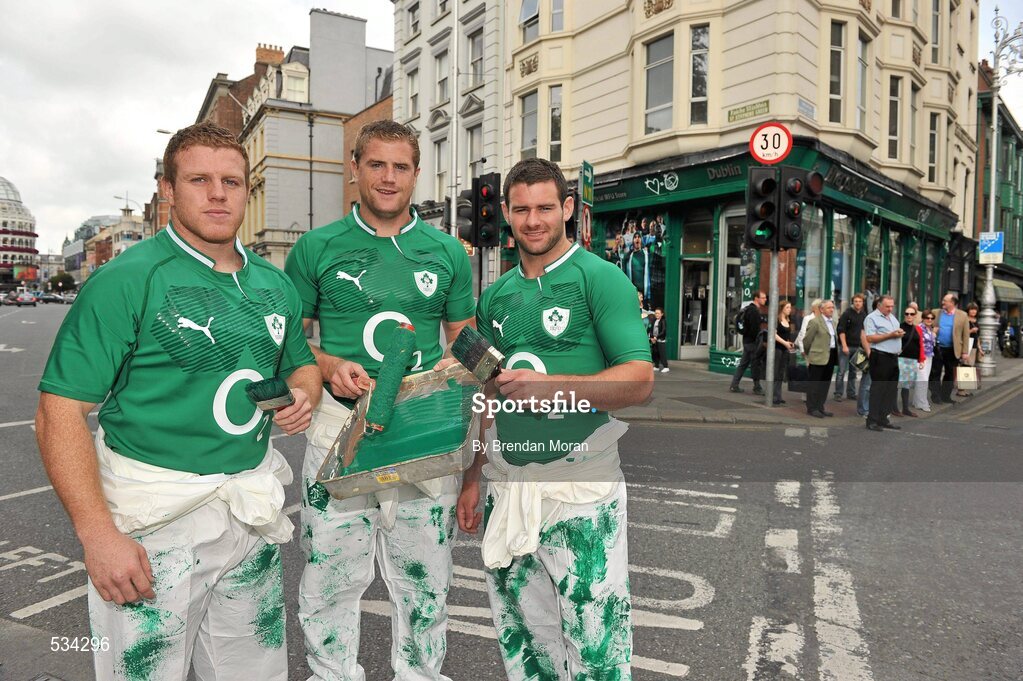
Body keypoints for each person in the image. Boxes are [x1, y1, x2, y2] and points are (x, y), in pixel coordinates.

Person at [35, 121, 321, 681]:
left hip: (249, 514)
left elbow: (301, 365)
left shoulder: (273, 282)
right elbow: (57, 414)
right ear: (168, 190)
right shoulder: (126, 280)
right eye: (199, 179)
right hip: (152, 524)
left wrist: (303, 396)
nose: (218, 193)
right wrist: (98, 537)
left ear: (246, 190)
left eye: (232, 182)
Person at [284, 120, 475, 681]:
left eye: (401, 167)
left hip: (421, 432)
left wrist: (461, 365)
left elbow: (463, 334)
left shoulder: (446, 251)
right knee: (329, 582)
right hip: (338, 431)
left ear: (417, 173)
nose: (389, 178)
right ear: (355, 169)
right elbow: (288, 338)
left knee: (425, 584)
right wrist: (326, 367)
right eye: (377, 165)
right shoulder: (316, 248)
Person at [457, 157, 654, 681]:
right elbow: (486, 396)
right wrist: (472, 478)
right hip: (507, 484)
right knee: (526, 640)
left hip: (581, 488)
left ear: (568, 208)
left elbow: (639, 380)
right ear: (505, 214)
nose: (533, 220)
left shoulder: (601, 279)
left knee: (596, 644)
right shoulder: (495, 297)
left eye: (546, 207)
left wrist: (554, 388)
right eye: (521, 209)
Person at [863, 295, 904, 431]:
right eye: (887, 306)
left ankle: (883, 418)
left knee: (890, 390)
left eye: (892, 306)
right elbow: (870, 338)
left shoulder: (892, 317)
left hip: (893, 357)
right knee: (878, 389)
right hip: (880, 357)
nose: (890, 309)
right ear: (879, 305)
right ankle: (872, 420)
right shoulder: (871, 318)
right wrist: (891, 335)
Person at [930, 293, 970, 403]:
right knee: (935, 373)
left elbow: (965, 335)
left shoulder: (963, 315)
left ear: (952, 303)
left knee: (950, 374)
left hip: (953, 350)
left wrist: (965, 352)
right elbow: (925, 323)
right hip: (937, 348)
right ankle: (936, 396)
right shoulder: (935, 312)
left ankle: (945, 396)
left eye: (945, 300)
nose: (942, 302)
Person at [801, 299, 838, 418]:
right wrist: (808, 353)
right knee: (814, 383)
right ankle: (812, 408)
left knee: (825, 384)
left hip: (830, 355)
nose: (831, 309)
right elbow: (807, 340)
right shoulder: (815, 322)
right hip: (818, 356)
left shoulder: (833, 322)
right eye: (829, 308)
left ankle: (820, 406)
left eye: (832, 307)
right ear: (821, 309)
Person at [729, 291, 768, 395]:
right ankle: (757, 387)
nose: (765, 299)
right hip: (752, 342)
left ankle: (734, 385)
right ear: (756, 298)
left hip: (747, 341)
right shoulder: (754, 311)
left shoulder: (749, 309)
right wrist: (759, 340)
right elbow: (754, 329)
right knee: (755, 364)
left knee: (744, 364)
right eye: (763, 298)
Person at [835, 293, 866, 401]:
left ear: (863, 303)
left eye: (860, 301)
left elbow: (864, 332)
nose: (858, 303)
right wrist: (844, 345)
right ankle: (838, 393)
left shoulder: (863, 315)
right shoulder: (846, 314)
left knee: (853, 372)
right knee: (841, 371)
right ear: (853, 302)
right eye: (856, 301)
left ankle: (851, 393)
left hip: (857, 347)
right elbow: (841, 330)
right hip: (846, 346)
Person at [896, 306, 926, 417]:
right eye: (907, 313)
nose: (909, 316)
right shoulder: (899, 327)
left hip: (912, 360)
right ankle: (894, 408)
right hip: (900, 359)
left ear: (915, 316)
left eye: (912, 314)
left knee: (906, 385)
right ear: (904, 315)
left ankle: (905, 409)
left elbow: (921, 345)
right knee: (897, 385)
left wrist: (921, 360)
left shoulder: (917, 329)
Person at [773, 300, 796, 405]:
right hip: (777, 348)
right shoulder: (777, 320)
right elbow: (774, 335)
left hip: (785, 349)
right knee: (776, 372)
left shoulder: (788, 320)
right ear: (782, 308)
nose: (789, 310)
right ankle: (773, 395)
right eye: (787, 307)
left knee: (781, 372)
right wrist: (785, 343)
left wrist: (789, 344)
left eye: (790, 308)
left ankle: (778, 396)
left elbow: (787, 335)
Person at [913, 310, 936, 412]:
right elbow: (919, 344)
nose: (929, 320)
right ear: (923, 318)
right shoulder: (919, 328)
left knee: (923, 379)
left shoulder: (930, 329)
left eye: (931, 318)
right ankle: (922, 403)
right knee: (922, 379)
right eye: (927, 318)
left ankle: (917, 401)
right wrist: (921, 359)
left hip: (929, 356)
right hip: (921, 357)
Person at [960, 302, 983, 396]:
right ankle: (961, 390)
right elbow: (961, 334)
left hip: (973, 346)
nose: (973, 311)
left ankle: (964, 389)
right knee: (964, 366)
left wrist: (980, 348)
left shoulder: (976, 321)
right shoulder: (965, 319)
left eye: (975, 309)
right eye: (971, 309)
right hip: (966, 345)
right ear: (968, 310)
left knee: (969, 367)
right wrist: (971, 331)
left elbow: (977, 337)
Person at [625, 232, 651, 298]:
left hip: (644, 290)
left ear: (641, 240)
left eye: (639, 237)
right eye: (635, 237)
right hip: (633, 291)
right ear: (633, 241)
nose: (637, 239)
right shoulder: (629, 256)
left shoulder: (646, 254)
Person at [650, 307, 669, 372]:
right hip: (654, 340)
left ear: (662, 314)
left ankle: (666, 367)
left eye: (658, 313)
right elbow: (651, 329)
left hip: (660, 340)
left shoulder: (663, 321)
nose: (656, 314)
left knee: (662, 353)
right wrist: (652, 337)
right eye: (656, 313)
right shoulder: (654, 320)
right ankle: (656, 366)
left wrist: (656, 337)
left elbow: (663, 331)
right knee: (655, 353)